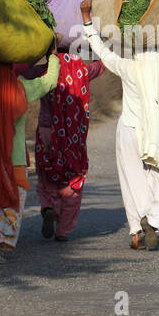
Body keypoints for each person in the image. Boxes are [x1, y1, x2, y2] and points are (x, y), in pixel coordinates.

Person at [78, 0, 159, 251]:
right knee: (157, 179)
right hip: (158, 132)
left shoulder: (129, 66)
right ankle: (155, 226)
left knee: (131, 181)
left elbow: (102, 53)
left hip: (129, 130)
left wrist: (86, 19)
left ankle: (136, 231)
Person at [0, 54, 61, 264]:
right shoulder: (21, 89)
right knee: (9, 203)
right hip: (14, 162)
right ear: (10, 70)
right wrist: (52, 56)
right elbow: (50, 81)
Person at [32, 42, 106, 241]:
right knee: (73, 178)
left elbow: (22, 70)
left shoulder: (45, 71)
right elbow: (102, 65)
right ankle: (63, 230)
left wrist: (39, 53)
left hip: (47, 132)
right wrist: (95, 47)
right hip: (74, 136)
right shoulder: (83, 70)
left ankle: (49, 206)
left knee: (47, 173)